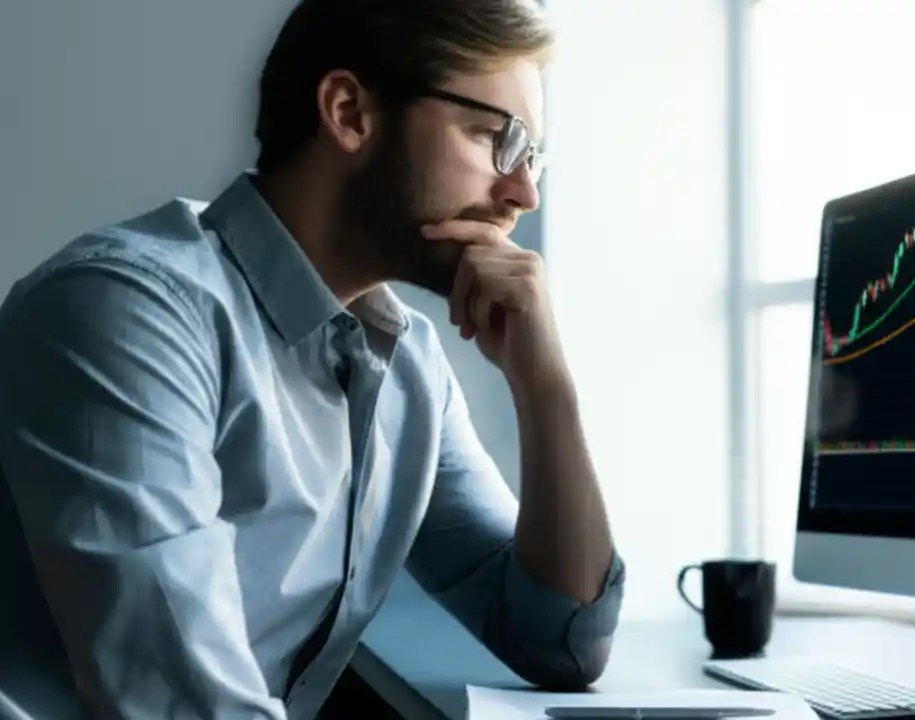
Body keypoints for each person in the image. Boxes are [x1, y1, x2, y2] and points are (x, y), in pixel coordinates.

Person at [0, 0, 625, 717]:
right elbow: (183, 706)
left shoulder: (407, 372)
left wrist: (544, 386)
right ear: (350, 112)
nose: (523, 192)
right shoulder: (127, 312)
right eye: (495, 138)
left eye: (532, 157)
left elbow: (562, 641)